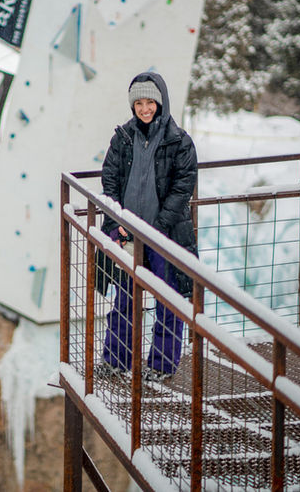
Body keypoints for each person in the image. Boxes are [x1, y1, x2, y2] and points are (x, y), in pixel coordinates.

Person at [98, 71, 197, 382]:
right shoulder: (123, 138)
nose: (144, 109)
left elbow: (183, 188)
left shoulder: (179, 141)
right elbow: (109, 180)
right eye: (138, 103)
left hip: (164, 236)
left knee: (167, 301)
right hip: (128, 235)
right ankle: (116, 360)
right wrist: (117, 223)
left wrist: (159, 226)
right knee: (125, 298)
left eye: (150, 102)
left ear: (161, 102)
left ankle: (162, 365)